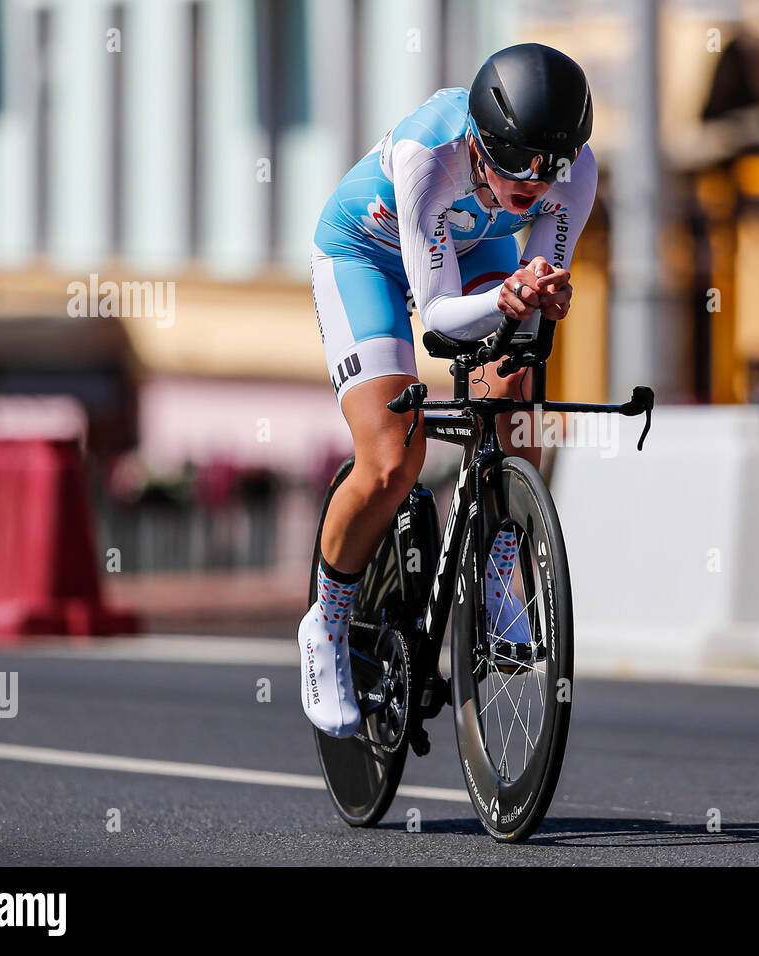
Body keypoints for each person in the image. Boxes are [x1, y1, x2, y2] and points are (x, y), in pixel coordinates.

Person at [301, 44, 597, 737]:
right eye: (516, 159)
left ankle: (498, 570)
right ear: (479, 139)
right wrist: (515, 294)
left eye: (549, 164)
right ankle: (326, 622)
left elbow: (536, 280)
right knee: (392, 461)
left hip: (471, 247)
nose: (534, 180)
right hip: (365, 254)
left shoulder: (574, 169)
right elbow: (435, 316)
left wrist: (535, 293)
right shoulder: (427, 156)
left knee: (517, 385)